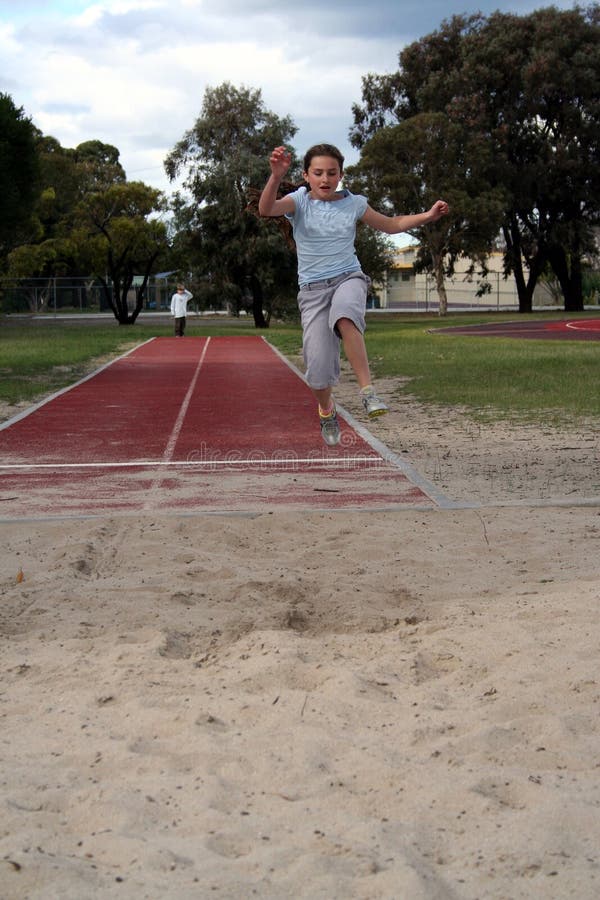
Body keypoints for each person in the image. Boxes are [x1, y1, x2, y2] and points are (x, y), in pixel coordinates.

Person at [258, 144, 449, 446]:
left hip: (348, 277)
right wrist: (275, 176)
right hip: (313, 291)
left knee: (346, 316)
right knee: (318, 373)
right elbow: (266, 209)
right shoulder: (299, 201)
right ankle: (326, 409)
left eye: (331, 173)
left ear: (340, 175)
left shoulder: (354, 203)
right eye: (318, 173)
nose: (325, 179)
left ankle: (368, 392)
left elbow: (391, 225)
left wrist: (427, 215)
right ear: (306, 175)